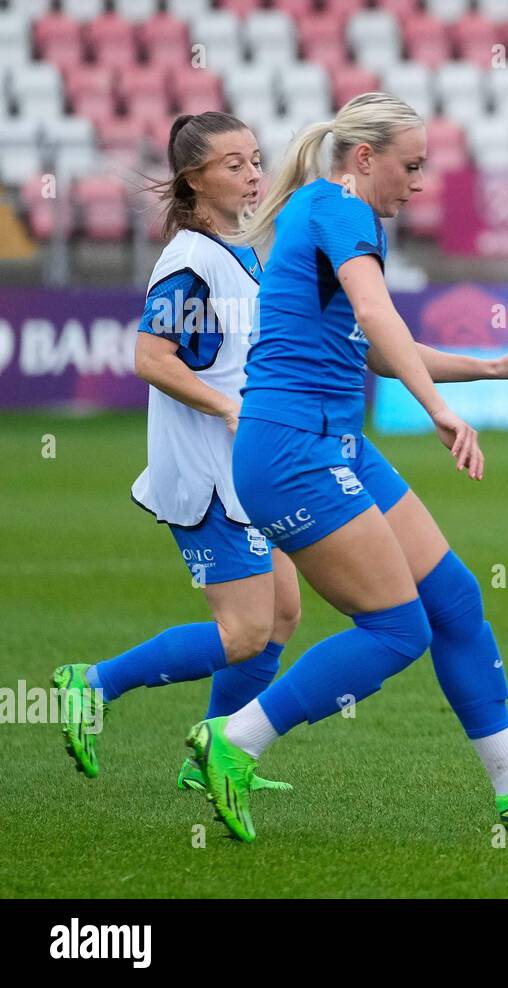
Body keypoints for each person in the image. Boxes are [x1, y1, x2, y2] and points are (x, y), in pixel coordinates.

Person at [178, 93, 508, 842]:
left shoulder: (320, 209)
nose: (420, 181)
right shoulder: (342, 210)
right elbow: (376, 317)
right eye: (412, 165)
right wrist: (437, 408)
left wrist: (488, 370)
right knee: (398, 630)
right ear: (364, 159)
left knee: (456, 601)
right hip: (292, 449)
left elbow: (367, 342)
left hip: (332, 444)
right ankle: (232, 740)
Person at [52, 112, 298, 793]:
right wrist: (226, 407)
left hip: (247, 469)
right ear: (194, 179)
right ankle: (92, 683)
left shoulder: (239, 248)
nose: (252, 174)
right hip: (206, 474)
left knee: (282, 615)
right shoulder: (190, 259)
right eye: (234, 165)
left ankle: (209, 756)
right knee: (246, 631)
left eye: (255, 160)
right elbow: (150, 356)